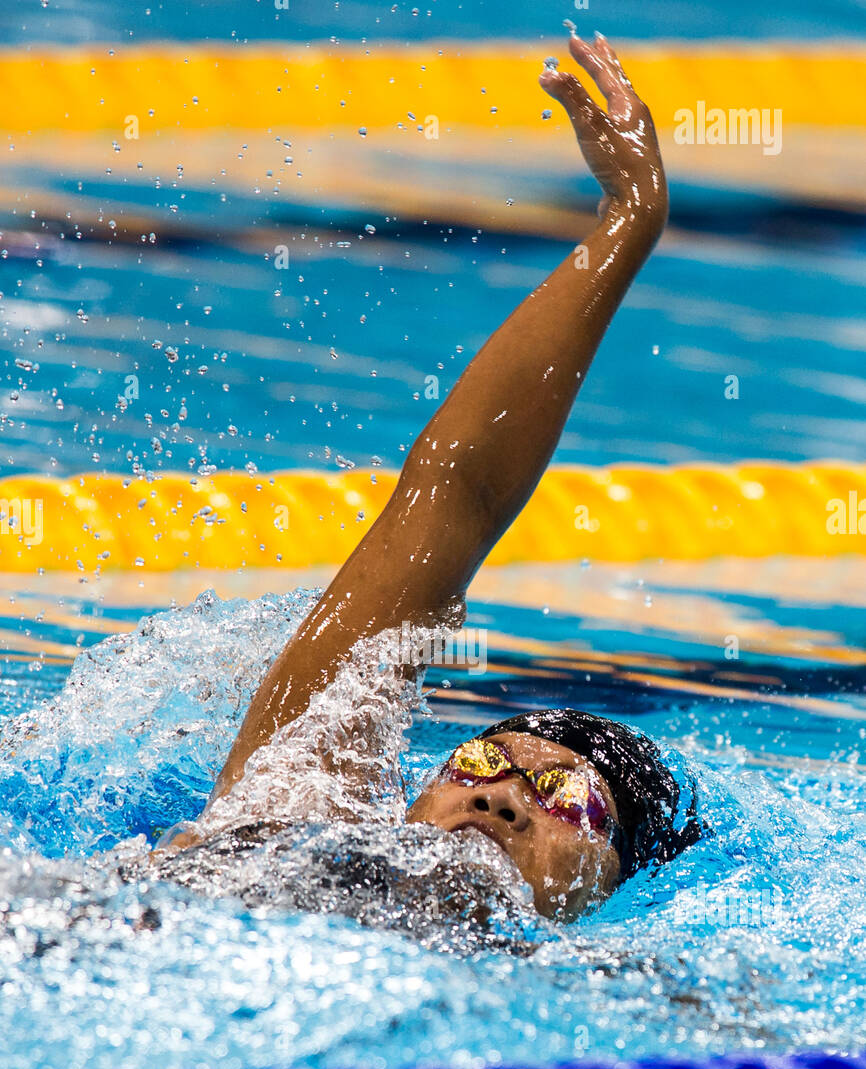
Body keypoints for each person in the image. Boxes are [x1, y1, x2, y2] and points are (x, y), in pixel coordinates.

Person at [156, 31, 702, 920]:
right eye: (481, 763)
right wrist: (626, 223)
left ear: (608, 889)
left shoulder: (579, 990)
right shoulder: (296, 809)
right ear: (415, 791)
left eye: (568, 801)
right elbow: (454, 494)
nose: (496, 797)